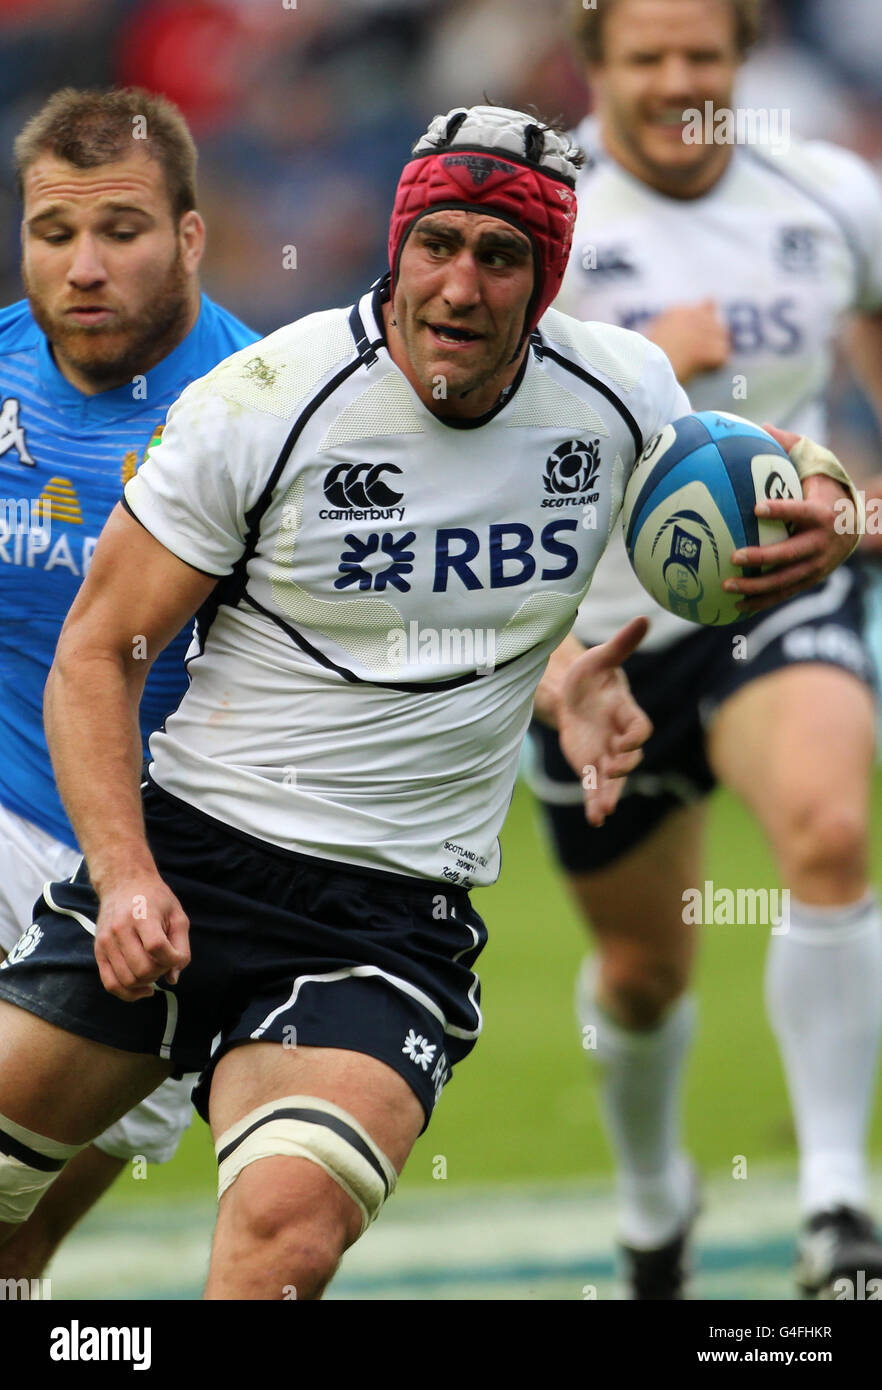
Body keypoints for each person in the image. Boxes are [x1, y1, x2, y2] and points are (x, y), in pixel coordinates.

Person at [0, 102, 857, 1301]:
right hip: (188, 860)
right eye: (437, 243)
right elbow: (99, 653)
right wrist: (127, 870)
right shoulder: (266, 399)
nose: (460, 282)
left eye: (500, 255)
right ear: (395, 249)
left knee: (287, 1231)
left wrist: (825, 508)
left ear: (546, 278)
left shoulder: (617, 393)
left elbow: (770, 461)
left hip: (386, 919)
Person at [529, 0, 882, 1298]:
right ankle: (650, 1203)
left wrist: (856, 508)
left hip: (778, 588)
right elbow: (453, 423)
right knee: (638, 971)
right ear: (594, 63)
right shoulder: (538, 209)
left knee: (829, 834)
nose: (679, 80)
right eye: (647, 57)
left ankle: (840, 1210)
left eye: (703, 56)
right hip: (591, 641)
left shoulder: (833, 193)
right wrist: (623, 370)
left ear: (741, 61)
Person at [0, 86, 258, 1283]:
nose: (84, 268)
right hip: (6, 807)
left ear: (190, 235)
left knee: (19, 1243)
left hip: (160, 886)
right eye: (55, 235)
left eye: (122, 232)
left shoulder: (266, 406)